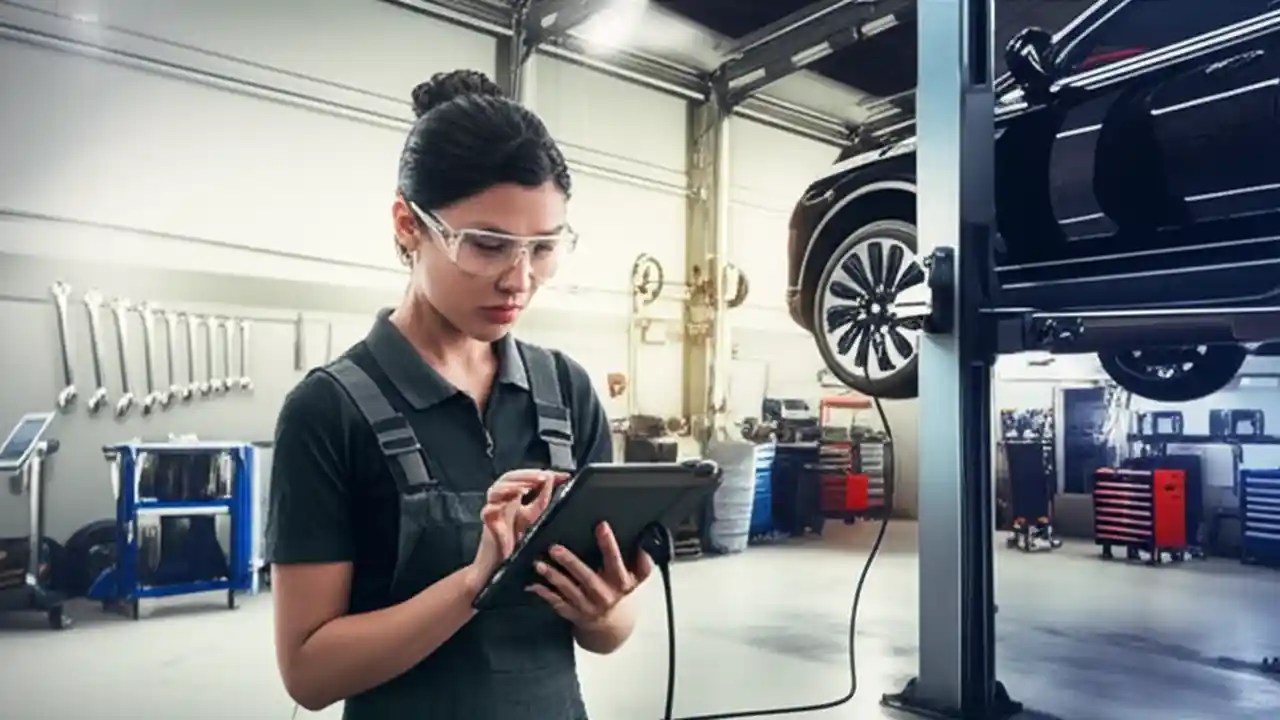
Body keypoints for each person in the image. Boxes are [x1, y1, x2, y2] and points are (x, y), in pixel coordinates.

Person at [265, 68, 654, 719]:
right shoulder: (329, 412)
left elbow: (609, 636)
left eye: (544, 248)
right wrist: (475, 584)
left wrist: (606, 607)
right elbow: (308, 672)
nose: (519, 280)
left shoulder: (567, 395)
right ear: (407, 224)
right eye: (487, 244)